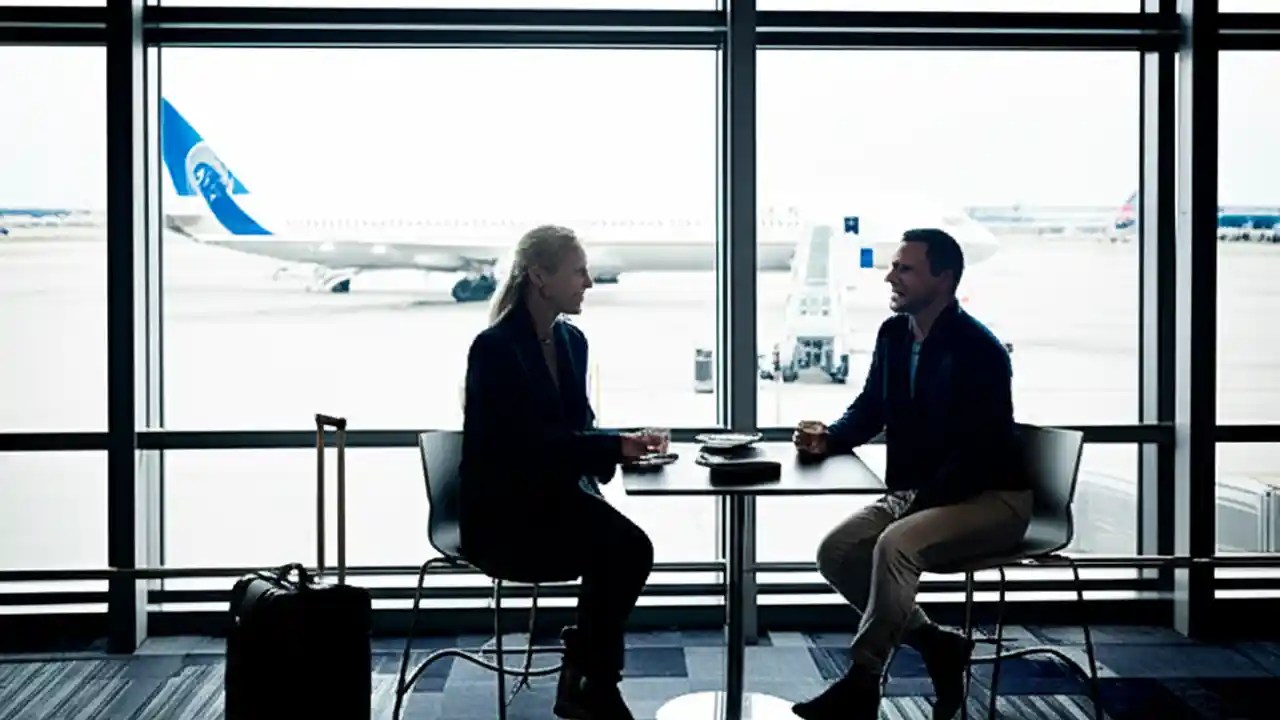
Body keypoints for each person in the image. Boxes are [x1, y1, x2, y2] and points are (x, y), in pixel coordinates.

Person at [790, 228, 1032, 720]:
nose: (890, 277)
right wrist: (831, 438)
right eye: (893, 266)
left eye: (904, 269)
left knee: (894, 545)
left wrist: (919, 503)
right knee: (835, 552)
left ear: (943, 278)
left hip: (991, 496)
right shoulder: (893, 334)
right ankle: (936, 643)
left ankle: (863, 680)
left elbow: (979, 451)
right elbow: (872, 406)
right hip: (923, 492)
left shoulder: (980, 350)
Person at [460, 224, 665, 720]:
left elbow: (577, 429)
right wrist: (614, 447)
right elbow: (526, 446)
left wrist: (622, 445)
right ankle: (588, 676)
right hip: (505, 512)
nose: (589, 283)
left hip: (553, 498)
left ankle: (587, 676)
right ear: (539, 276)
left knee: (622, 549)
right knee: (625, 550)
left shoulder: (572, 341)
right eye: (578, 272)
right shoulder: (494, 349)